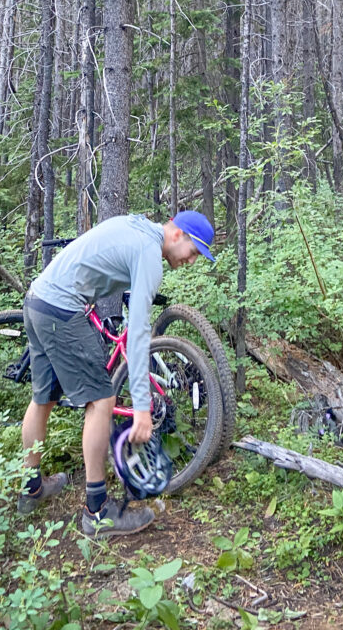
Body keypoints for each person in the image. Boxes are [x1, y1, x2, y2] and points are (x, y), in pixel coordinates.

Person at [17, 210, 216, 536]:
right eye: (193, 252)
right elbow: (137, 335)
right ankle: (97, 511)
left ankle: (31, 488)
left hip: (38, 301)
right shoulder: (149, 253)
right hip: (61, 310)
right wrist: (142, 408)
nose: (191, 261)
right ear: (177, 234)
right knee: (102, 400)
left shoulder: (138, 227)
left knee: (43, 399)